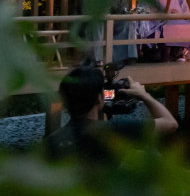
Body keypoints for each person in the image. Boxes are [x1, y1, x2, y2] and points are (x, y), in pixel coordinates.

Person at [45, 64, 178, 163]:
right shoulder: (113, 130)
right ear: (99, 98)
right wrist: (144, 95)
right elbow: (170, 123)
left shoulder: (51, 143)